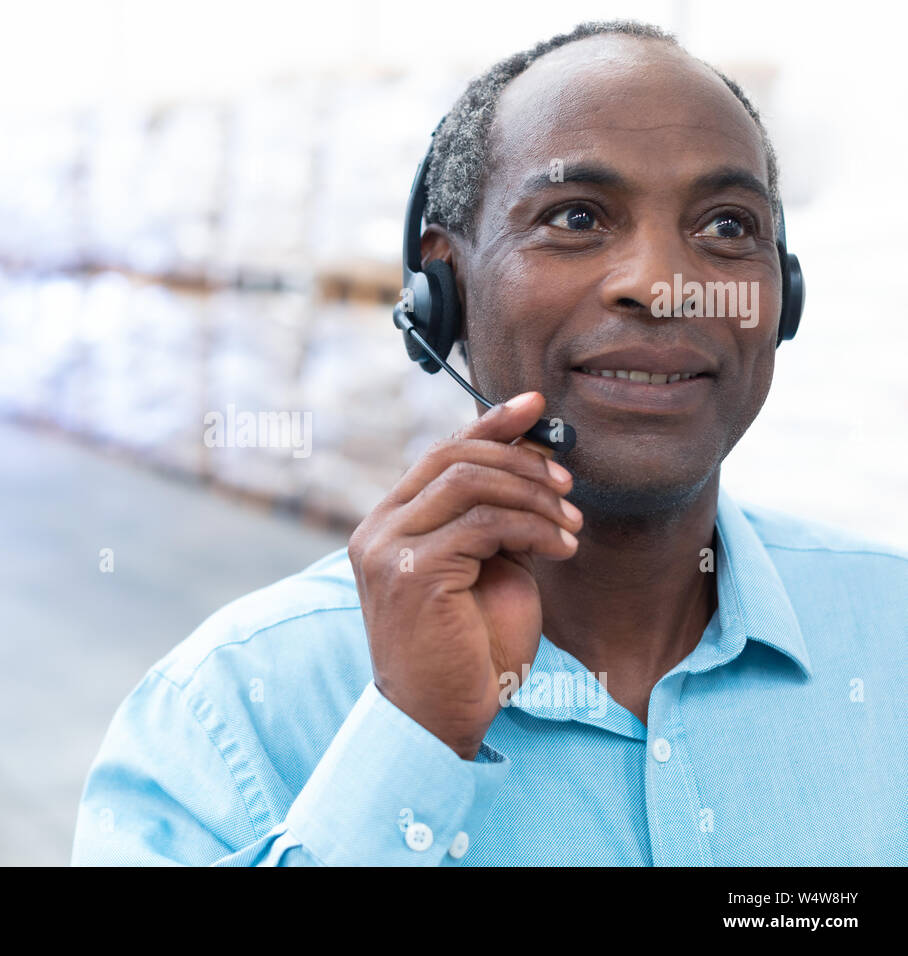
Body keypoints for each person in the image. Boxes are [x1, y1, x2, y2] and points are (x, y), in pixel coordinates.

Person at [71, 20, 907, 865]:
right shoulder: (226, 712)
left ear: (783, 298)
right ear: (445, 289)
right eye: (576, 217)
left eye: (727, 228)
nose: (663, 287)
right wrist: (411, 737)